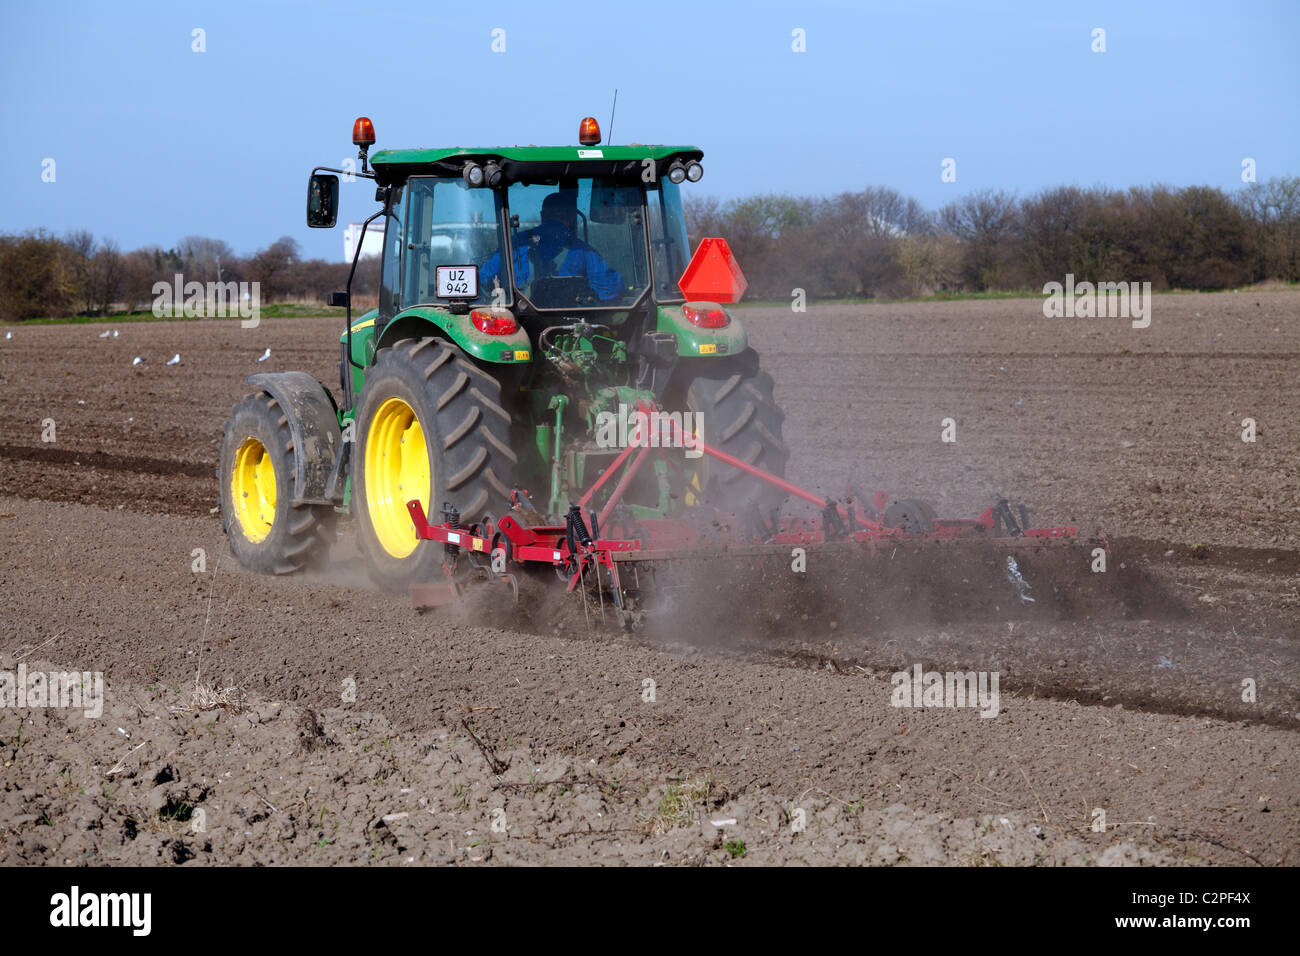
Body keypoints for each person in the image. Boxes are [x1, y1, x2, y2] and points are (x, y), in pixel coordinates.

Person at [480, 190, 623, 302]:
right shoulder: (583, 250)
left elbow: (485, 278)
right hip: (568, 323)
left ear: (542, 215)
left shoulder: (515, 244)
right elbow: (611, 288)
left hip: (522, 319)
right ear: (573, 217)